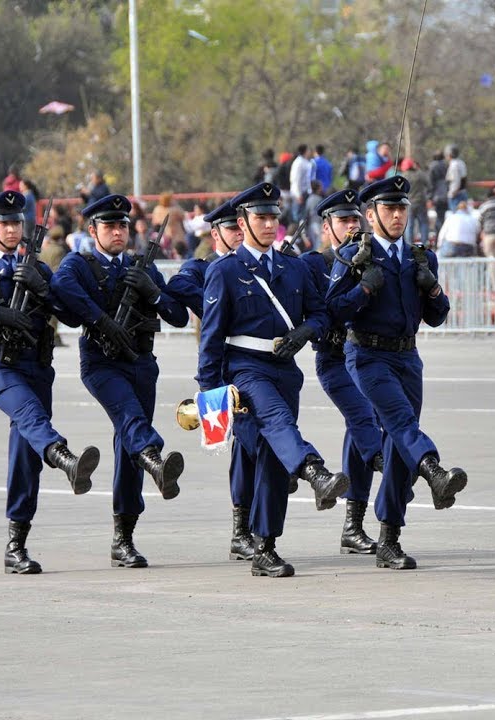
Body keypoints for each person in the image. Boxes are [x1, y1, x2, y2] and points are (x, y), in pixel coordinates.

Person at [0, 190, 99, 574]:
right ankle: (64, 457)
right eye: (4, 223)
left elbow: (72, 318)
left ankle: (16, 545)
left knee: (27, 455)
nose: (12, 229)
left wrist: (44, 290)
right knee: (29, 413)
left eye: (16, 222)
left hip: (36, 367)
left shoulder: (38, 269)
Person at [197, 181, 350, 578]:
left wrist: (303, 334)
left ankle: (265, 547)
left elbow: (321, 315)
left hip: (285, 370)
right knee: (277, 421)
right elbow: (211, 337)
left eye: (273, 217)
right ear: (243, 221)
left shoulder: (293, 267)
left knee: (270, 458)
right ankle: (315, 471)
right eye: (260, 217)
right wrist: (210, 394)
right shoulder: (225, 271)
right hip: (245, 370)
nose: (268, 224)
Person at [326, 176, 468, 570]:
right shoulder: (354, 255)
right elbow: (333, 311)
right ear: (371, 215)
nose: (398, 215)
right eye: (389, 208)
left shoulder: (420, 257)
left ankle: (390, 539)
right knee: (402, 424)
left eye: (403, 207)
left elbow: (438, 318)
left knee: (399, 449)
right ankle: (435, 471)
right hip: (367, 356)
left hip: (408, 358)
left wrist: (434, 290)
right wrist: (363, 289)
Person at [50, 193, 190, 569]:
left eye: (122, 225)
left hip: (142, 364)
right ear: (92, 229)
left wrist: (154, 291)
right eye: (109, 225)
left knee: (130, 445)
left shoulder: (142, 266)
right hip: (102, 363)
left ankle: (123, 538)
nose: (117, 231)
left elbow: (178, 316)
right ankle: (156, 460)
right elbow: (61, 290)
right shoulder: (79, 264)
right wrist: (101, 320)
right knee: (132, 420)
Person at [168, 197, 264, 562]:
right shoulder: (204, 268)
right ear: (215, 233)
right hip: (221, 370)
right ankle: (242, 530)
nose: (240, 234)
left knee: (252, 442)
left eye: (242, 226)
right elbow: (178, 287)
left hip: (255, 365)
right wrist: (222, 299)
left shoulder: (256, 266)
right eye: (231, 229)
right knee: (246, 441)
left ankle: (248, 528)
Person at [300, 189, 387, 555]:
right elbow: (327, 313)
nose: (352, 226)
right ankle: (395, 461)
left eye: (355, 219)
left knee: (359, 435)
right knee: (365, 420)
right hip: (335, 360)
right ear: (326, 227)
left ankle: (353, 527)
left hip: (367, 358)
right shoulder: (311, 265)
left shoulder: (371, 255)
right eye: (343, 221)